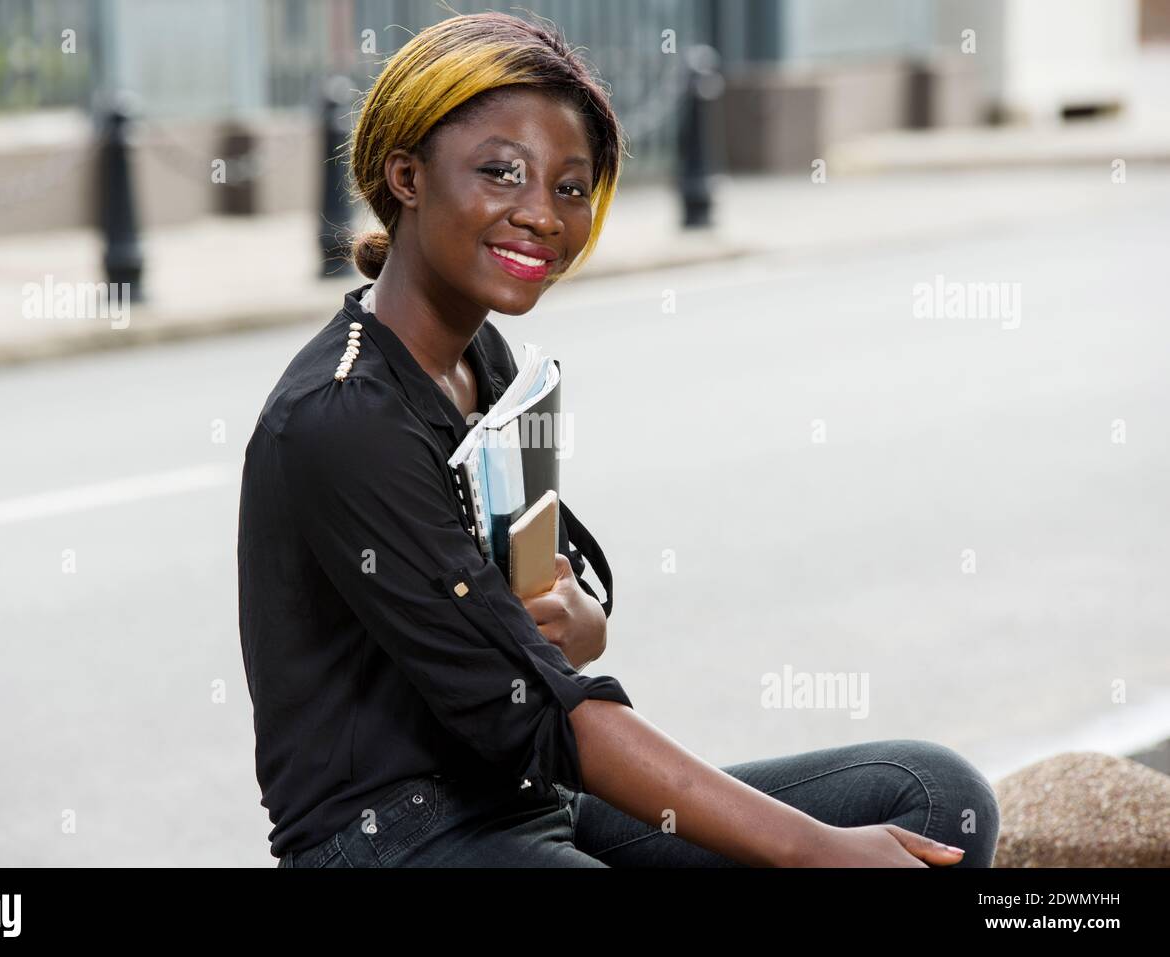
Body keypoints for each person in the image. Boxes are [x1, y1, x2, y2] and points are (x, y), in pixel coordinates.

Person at [237, 10, 1000, 867]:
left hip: (531, 794)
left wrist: (581, 618)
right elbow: (541, 705)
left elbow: (548, 615)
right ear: (407, 176)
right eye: (502, 172)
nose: (543, 216)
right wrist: (812, 849)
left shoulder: (479, 355)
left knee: (937, 796)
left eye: (570, 186)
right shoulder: (341, 418)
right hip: (393, 838)